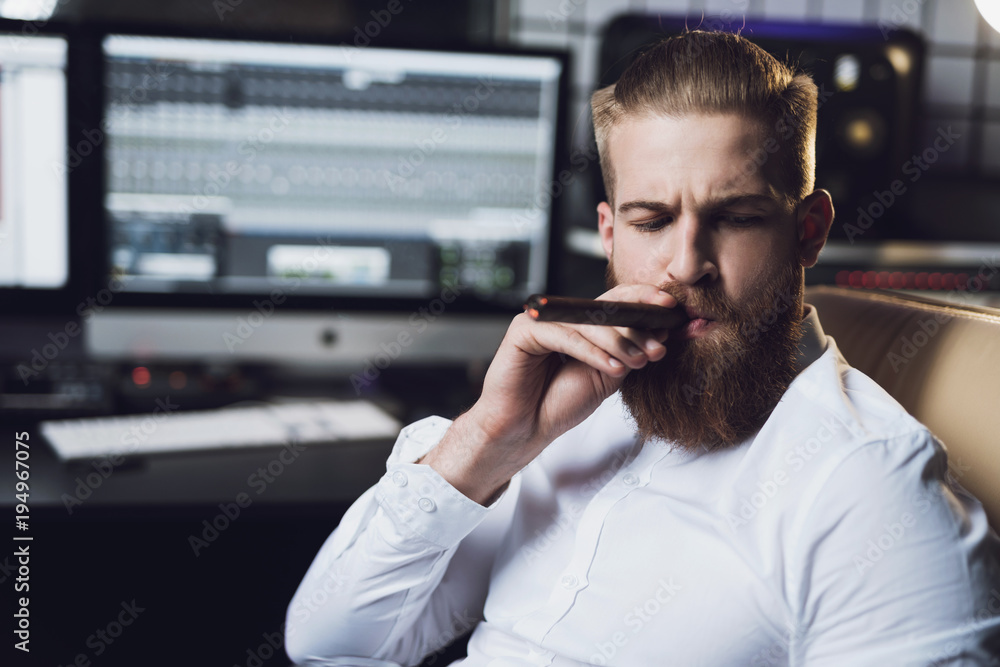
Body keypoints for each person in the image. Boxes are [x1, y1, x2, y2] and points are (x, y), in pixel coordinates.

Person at [285, 30, 1000, 666]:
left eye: (737, 216)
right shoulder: (565, 411)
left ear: (808, 229)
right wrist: (488, 438)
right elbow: (327, 640)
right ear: (609, 232)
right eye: (652, 220)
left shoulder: (871, 493)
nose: (686, 263)